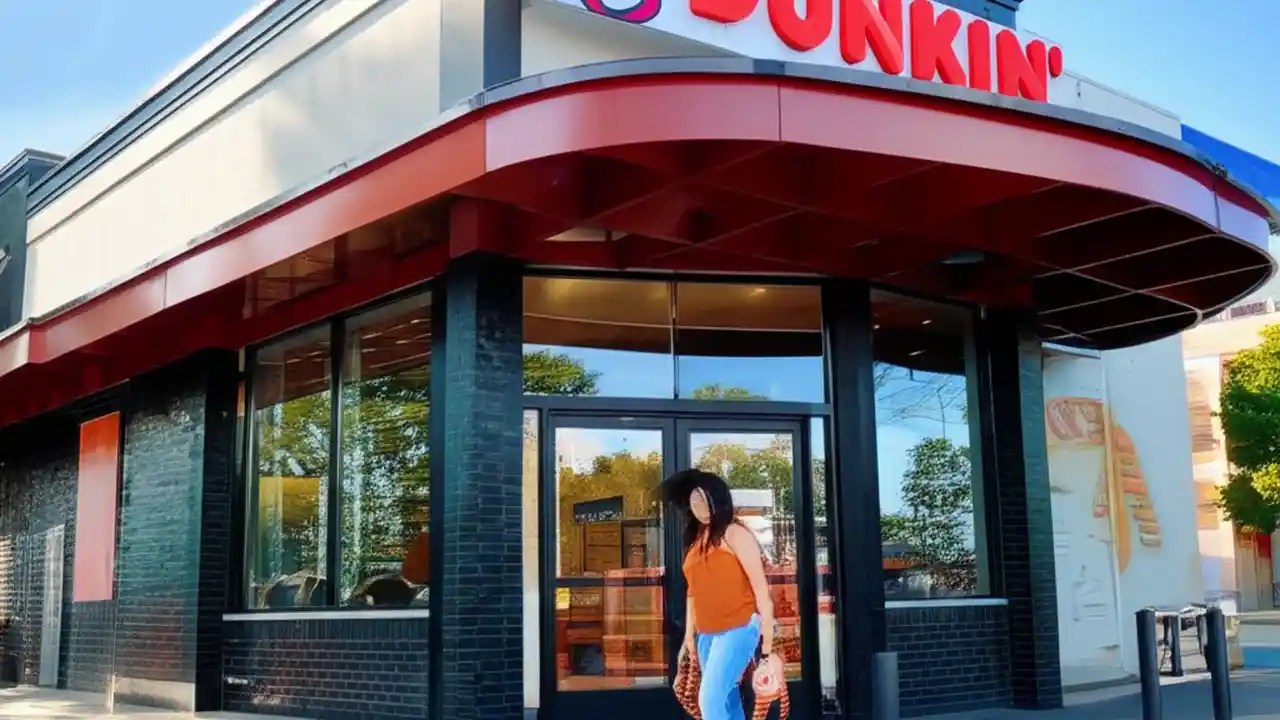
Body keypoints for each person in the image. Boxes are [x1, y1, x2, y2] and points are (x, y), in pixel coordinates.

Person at [665, 468, 778, 720]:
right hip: (707, 633)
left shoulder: (735, 533)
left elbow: (761, 587)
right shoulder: (696, 541)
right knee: (726, 699)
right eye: (694, 502)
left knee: (710, 698)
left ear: (719, 499)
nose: (699, 508)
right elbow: (692, 592)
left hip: (739, 627)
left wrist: (768, 649)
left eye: (704, 501)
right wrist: (688, 637)